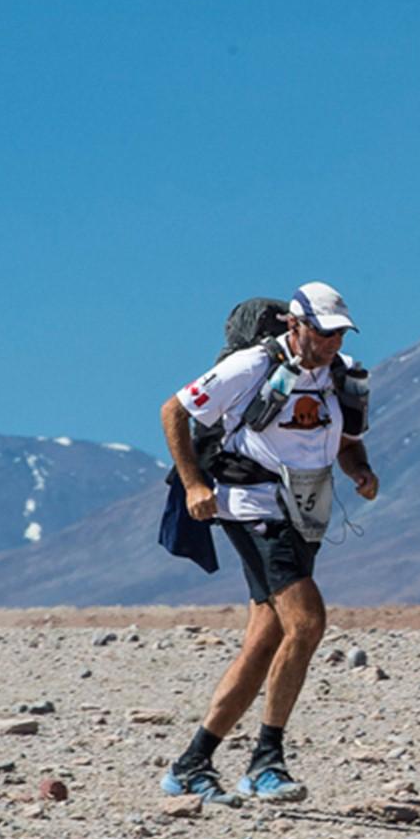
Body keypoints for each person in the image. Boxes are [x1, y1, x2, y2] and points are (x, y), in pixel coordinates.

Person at [156, 281, 379, 805]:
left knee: (266, 640)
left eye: (338, 337)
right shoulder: (252, 367)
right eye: (322, 335)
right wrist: (194, 485)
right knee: (308, 622)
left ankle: (191, 765)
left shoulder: (343, 376)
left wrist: (361, 472)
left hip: (305, 511)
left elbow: (347, 439)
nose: (329, 346)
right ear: (294, 325)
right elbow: (175, 410)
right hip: (252, 505)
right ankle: (265, 762)